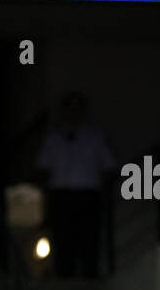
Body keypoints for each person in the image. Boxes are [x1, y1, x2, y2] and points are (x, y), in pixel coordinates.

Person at [34, 92, 116, 278]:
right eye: (70, 108)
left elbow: (109, 166)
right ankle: (64, 282)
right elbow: (43, 168)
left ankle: (90, 281)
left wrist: (103, 192)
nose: (73, 112)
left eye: (77, 108)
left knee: (89, 240)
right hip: (61, 195)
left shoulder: (95, 136)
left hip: (88, 194)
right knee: (62, 241)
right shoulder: (53, 138)